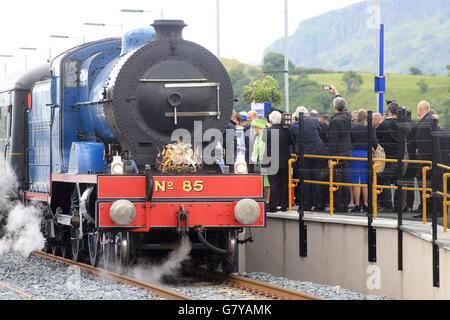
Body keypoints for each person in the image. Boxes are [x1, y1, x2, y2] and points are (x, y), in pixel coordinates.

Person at [291, 106, 329, 211]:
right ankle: (320, 204)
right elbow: (325, 133)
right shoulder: (315, 122)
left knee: (305, 180)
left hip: (304, 155)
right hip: (319, 153)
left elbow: (293, 141)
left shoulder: (294, 126)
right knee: (318, 179)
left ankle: (306, 205)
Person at [326, 85, 352, 213]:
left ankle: (338, 205)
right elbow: (344, 107)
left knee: (337, 179)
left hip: (337, 154)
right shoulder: (348, 116)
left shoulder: (335, 121)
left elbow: (333, 141)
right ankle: (345, 204)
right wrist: (337, 93)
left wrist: (330, 157)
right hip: (347, 152)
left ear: (334, 107)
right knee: (345, 180)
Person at [349, 109, 378, 213]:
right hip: (366, 154)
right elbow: (374, 142)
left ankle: (357, 204)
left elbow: (350, 140)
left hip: (354, 154)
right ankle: (366, 204)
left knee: (356, 180)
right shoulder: (371, 127)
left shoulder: (352, 127)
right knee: (365, 180)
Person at [265, 111, 293, 212]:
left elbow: (265, 142)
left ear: (271, 119)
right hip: (285, 161)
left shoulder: (267, 131)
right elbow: (290, 142)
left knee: (273, 183)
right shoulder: (287, 131)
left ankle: (273, 206)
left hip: (272, 161)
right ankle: (284, 205)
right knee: (284, 183)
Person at [376, 102, 400, 212]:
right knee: (399, 182)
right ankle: (398, 206)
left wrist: (381, 122)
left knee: (384, 179)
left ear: (389, 111)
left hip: (388, 156)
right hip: (400, 156)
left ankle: (387, 205)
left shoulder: (386, 124)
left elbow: (376, 135)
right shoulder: (401, 123)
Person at [251, 119, 270, 208]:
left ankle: (268, 200)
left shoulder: (264, 137)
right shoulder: (258, 136)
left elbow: (263, 150)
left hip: (264, 163)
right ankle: (265, 199)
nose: (255, 129)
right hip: (260, 163)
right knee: (264, 182)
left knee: (267, 183)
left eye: (256, 128)